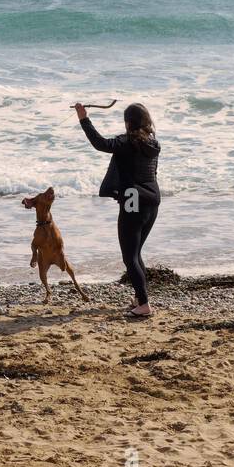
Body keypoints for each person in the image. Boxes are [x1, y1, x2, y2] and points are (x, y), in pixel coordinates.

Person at [74, 101, 160, 318]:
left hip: (133, 201)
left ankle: (144, 305)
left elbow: (100, 143)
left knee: (129, 256)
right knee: (136, 252)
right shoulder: (153, 143)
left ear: (128, 122)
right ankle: (141, 299)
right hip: (153, 200)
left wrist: (83, 119)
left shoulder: (126, 142)